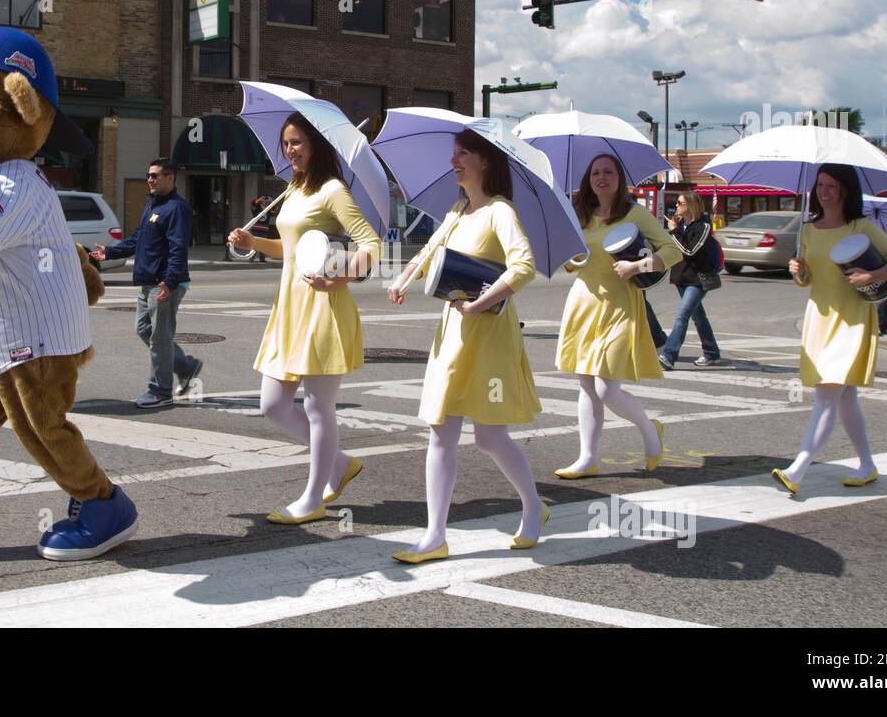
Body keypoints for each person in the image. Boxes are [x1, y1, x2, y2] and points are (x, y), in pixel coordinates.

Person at [386, 129, 544, 564]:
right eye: (453, 153)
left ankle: (533, 506)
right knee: (441, 430)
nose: (454, 160)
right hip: (453, 333)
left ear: (486, 162)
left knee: (491, 437)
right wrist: (404, 278)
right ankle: (435, 535)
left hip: (489, 333)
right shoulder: (457, 211)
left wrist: (482, 301)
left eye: (463, 153)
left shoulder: (500, 212)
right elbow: (431, 253)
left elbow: (524, 267)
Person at [227, 112, 381, 525]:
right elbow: (292, 249)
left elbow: (372, 244)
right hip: (290, 307)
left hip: (324, 305)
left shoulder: (332, 191)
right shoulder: (293, 189)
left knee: (317, 407)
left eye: (297, 142)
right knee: (273, 404)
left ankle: (314, 498)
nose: (290, 149)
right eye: (286, 143)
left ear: (315, 144)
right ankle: (341, 462)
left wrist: (342, 275)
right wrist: (253, 241)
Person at [775, 163, 887, 495]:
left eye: (832, 185)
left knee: (826, 396)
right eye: (820, 185)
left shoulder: (860, 227)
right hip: (819, 317)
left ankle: (798, 467)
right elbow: (806, 281)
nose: (824, 191)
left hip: (852, 319)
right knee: (846, 398)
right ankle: (867, 464)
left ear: (846, 190)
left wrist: (873, 275)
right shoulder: (808, 230)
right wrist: (798, 269)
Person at [555, 154, 682, 479]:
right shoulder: (578, 215)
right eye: (595, 172)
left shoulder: (635, 214)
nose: (601, 177)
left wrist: (637, 266)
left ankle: (650, 431)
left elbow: (672, 250)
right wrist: (573, 260)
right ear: (588, 179)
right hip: (584, 302)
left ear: (619, 178)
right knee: (586, 385)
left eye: (608, 172)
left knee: (607, 389)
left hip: (621, 304)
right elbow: (569, 262)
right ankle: (587, 458)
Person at [92, 159, 202, 408]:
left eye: (156, 176)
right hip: (147, 281)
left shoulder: (176, 209)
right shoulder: (152, 206)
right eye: (149, 175)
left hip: (164, 284)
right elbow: (137, 240)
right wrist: (110, 253)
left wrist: (169, 281)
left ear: (170, 178)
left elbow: (177, 248)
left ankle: (160, 391)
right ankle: (185, 366)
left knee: (159, 338)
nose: (150, 180)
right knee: (144, 329)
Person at [658, 191, 724, 368]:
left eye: (680, 203)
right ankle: (712, 353)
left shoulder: (703, 226)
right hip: (681, 276)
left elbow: (689, 250)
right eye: (677, 203)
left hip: (698, 279)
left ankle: (669, 355)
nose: (677, 206)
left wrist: (673, 232)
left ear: (691, 205)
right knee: (698, 317)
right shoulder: (679, 225)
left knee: (682, 315)